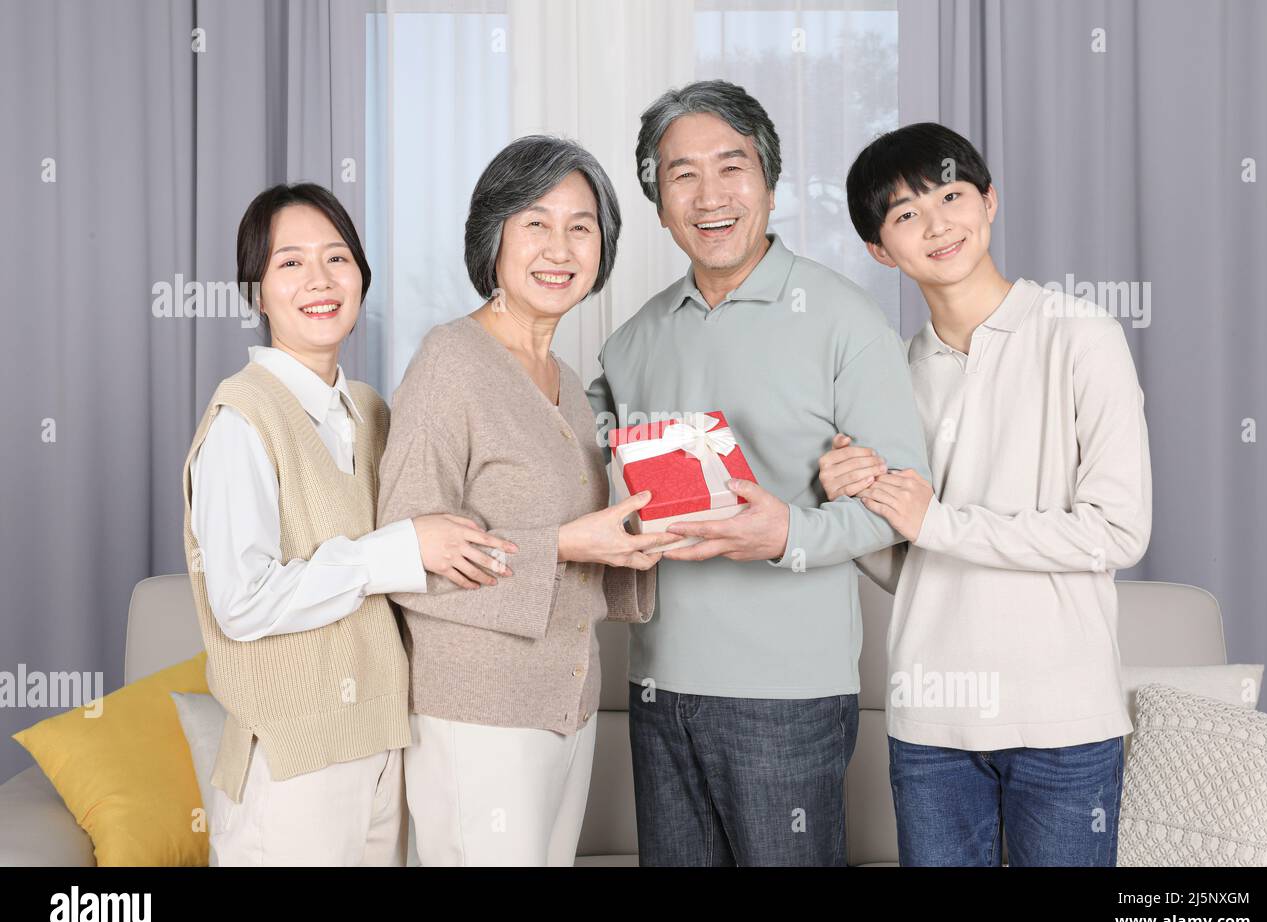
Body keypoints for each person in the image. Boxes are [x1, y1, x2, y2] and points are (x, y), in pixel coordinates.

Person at [586, 80, 932, 866]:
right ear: (658, 199)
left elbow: (901, 504)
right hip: (656, 687)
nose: (710, 195)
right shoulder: (633, 340)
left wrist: (789, 533)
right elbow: (589, 478)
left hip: (790, 699)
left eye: (730, 167)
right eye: (682, 174)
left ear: (769, 184)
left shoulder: (848, 321)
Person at [821, 121, 1152, 865]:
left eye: (951, 194)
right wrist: (856, 508)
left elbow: (1118, 532)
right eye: (906, 214)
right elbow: (914, 565)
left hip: (1065, 720)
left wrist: (937, 522)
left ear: (989, 201)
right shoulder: (889, 376)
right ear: (880, 249)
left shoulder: (1081, 335)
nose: (938, 223)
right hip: (932, 727)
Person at [181, 182, 511, 865]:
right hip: (294, 764)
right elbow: (241, 603)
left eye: (337, 258)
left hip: (384, 746)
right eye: (290, 263)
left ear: (361, 274)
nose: (320, 280)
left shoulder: (369, 410)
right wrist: (398, 550)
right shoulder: (243, 420)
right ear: (256, 290)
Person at [378, 136, 679, 866]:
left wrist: (644, 540)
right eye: (535, 223)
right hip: (479, 709)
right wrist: (571, 545)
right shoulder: (450, 361)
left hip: (567, 702)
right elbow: (402, 551)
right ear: (495, 239)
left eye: (581, 226)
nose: (560, 247)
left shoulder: (568, 382)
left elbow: (581, 546)